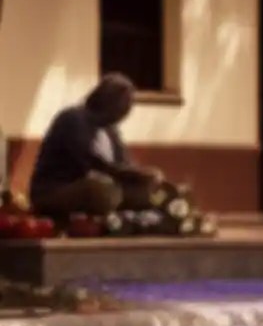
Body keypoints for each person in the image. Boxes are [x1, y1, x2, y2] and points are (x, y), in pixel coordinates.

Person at [29, 73, 163, 219]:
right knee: (100, 190)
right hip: (58, 189)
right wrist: (133, 174)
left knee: (144, 191)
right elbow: (91, 163)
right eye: (123, 103)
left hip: (107, 187)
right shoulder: (73, 118)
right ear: (107, 100)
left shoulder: (110, 130)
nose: (127, 111)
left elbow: (124, 163)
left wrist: (143, 177)